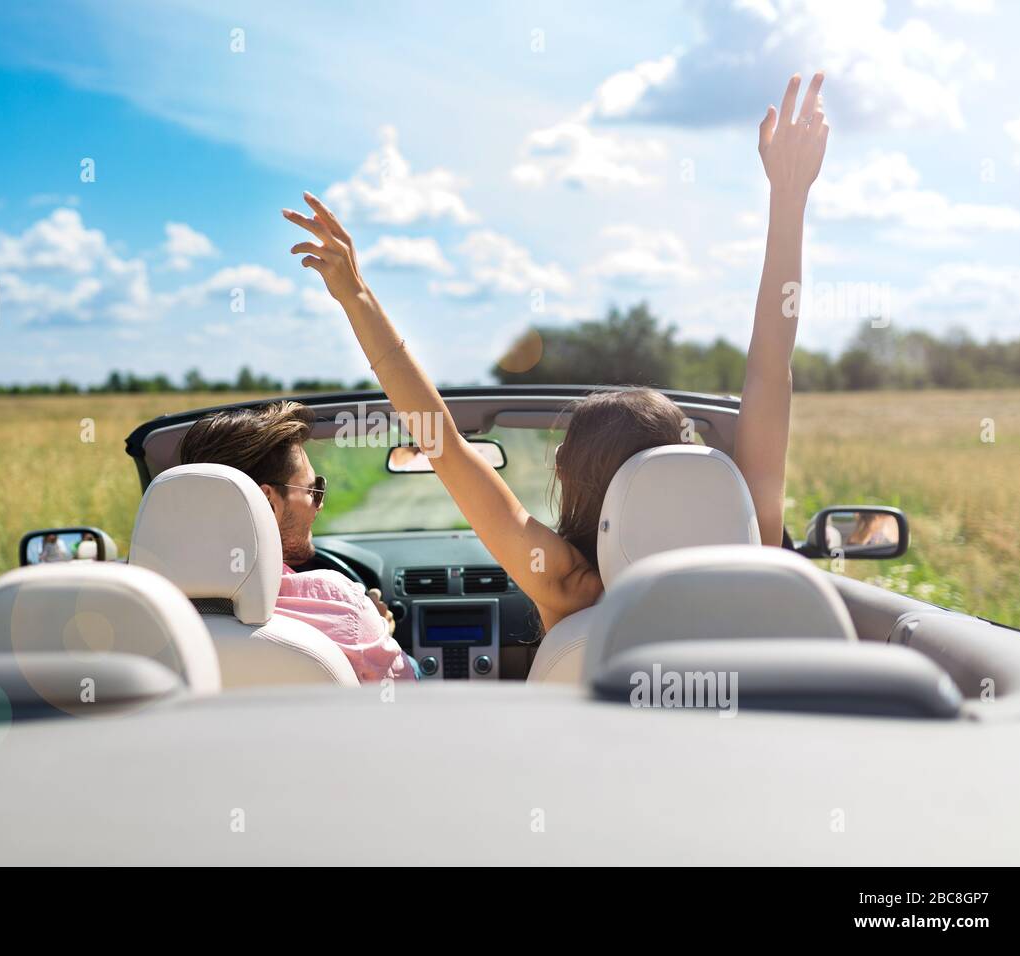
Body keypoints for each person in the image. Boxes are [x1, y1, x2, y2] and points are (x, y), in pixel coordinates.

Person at [286, 72, 830, 634]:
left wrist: (357, 296)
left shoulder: (568, 585)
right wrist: (790, 198)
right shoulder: (753, 556)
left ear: (570, 477)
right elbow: (770, 372)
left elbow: (441, 443)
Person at [178, 401, 418, 683]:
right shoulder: (342, 607)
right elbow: (403, 697)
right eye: (313, 490)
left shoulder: (150, 608)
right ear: (268, 502)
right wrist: (376, 630)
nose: (319, 505)